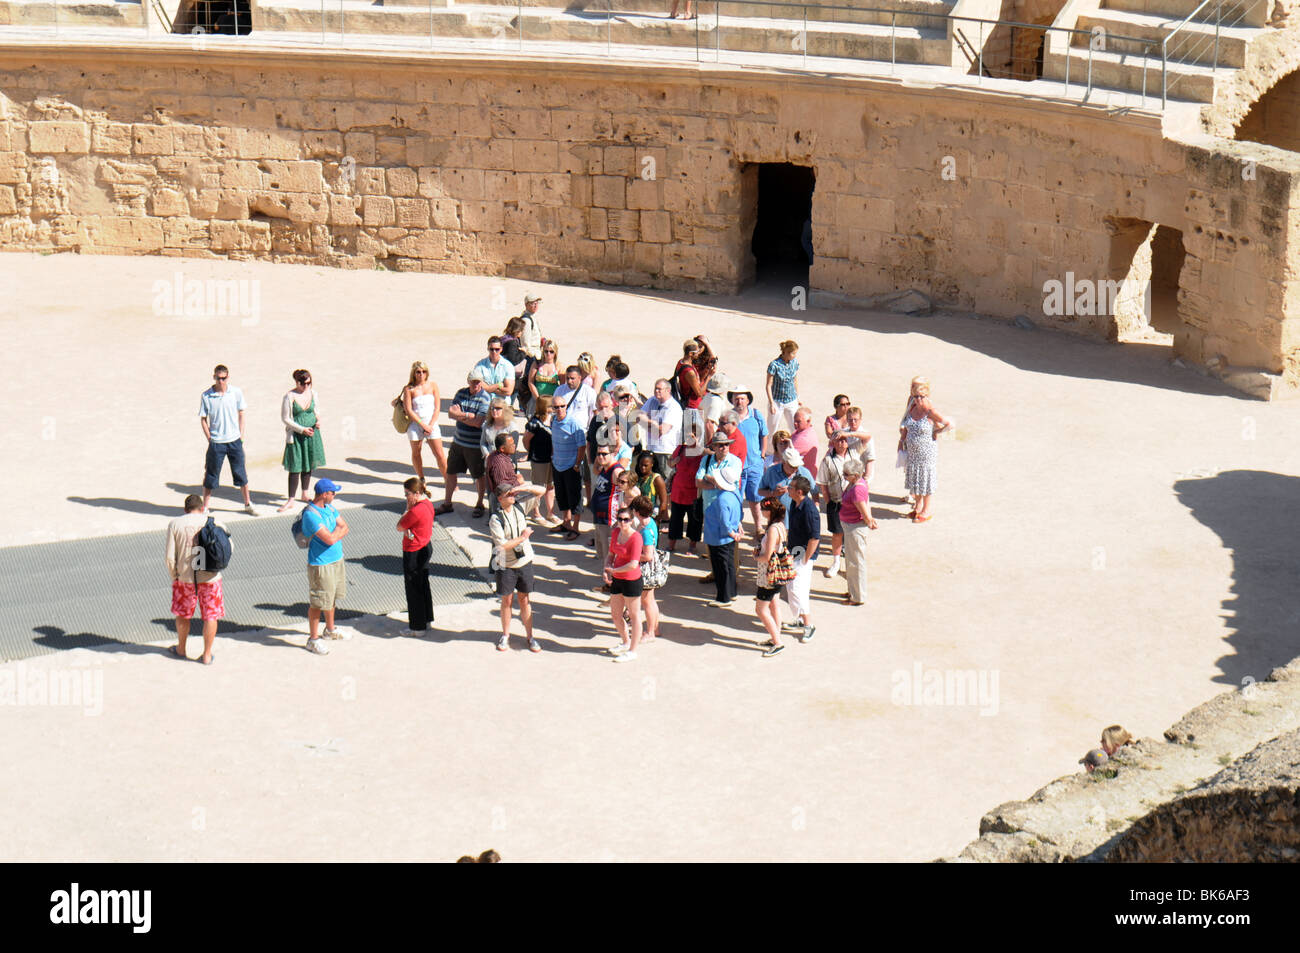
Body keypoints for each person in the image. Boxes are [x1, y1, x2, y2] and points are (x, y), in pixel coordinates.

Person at [165, 494, 225, 664]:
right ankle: (207, 654)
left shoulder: (175, 524)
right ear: (201, 508)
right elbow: (229, 547)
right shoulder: (213, 521)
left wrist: (175, 576)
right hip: (211, 576)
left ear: (185, 510)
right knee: (211, 615)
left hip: (185, 578)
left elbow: (169, 558)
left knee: (183, 615)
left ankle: (181, 649)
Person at [489, 482, 547, 653]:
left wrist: (522, 488)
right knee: (506, 600)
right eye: (508, 494)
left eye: (512, 493)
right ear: (500, 499)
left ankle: (530, 636)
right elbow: (502, 545)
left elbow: (542, 491)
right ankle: (506, 635)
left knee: (524, 599)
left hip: (524, 561)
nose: (512, 496)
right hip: (506, 564)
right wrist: (523, 538)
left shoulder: (520, 506)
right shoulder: (495, 519)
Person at [199, 364, 256, 515]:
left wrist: (241, 435)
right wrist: (209, 437)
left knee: (240, 472)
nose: (221, 381)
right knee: (211, 474)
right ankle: (205, 506)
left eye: (224, 378)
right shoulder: (206, 396)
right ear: (214, 377)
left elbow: (242, 413)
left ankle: (247, 503)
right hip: (217, 442)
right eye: (218, 378)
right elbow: (203, 419)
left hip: (234, 440)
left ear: (228, 377)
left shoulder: (236, 392)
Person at [301, 478, 350, 655]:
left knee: (332, 597)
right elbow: (329, 538)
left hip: (337, 560)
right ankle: (313, 640)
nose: (334, 495)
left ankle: (330, 629)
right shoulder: (311, 515)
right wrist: (336, 534)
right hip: (321, 565)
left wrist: (334, 534)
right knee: (318, 602)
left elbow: (345, 527)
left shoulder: (329, 508)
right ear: (324, 494)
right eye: (332, 492)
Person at [697, 432, 744, 607]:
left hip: (719, 523)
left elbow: (705, 479)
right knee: (727, 560)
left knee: (721, 561)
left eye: (726, 444)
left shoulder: (724, 499)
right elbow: (698, 481)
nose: (724, 447)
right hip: (715, 514)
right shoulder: (731, 495)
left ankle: (724, 596)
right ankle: (730, 593)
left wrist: (711, 478)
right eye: (720, 444)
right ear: (714, 447)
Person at [899, 376, 953, 523]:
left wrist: (937, 432)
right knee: (915, 478)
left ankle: (926, 510)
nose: (917, 399)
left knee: (925, 479)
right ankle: (917, 506)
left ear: (926, 395)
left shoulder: (929, 410)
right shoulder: (912, 405)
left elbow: (949, 424)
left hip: (926, 451)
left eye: (920, 396)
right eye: (915, 396)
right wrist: (902, 440)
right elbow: (905, 422)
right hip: (913, 451)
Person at [441, 368, 493, 518]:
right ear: (468, 381)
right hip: (458, 441)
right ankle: (447, 502)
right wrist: (468, 416)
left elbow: (478, 422)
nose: (475, 385)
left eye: (478, 382)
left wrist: (461, 415)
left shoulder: (485, 398)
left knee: (478, 476)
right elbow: (451, 413)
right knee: (450, 472)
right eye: (473, 382)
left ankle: (479, 503)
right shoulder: (461, 393)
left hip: (475, 444)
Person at [278, 369, 325, 513]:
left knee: (308, 464)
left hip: (311, 434)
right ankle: (291, 499)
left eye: (309, 383)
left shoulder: (313, 393)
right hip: (297, 436)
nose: (307, 387)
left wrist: (317, 420)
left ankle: (305, 493)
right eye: (304, 384)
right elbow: (286, 419)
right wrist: (301, 429)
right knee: (295, 467)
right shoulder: (289, 397)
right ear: (297, 382)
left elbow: (315, 410)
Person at [605, 504, 645, 661]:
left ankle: (633, 650)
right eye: (620, 519)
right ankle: (625, 641)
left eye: (626, 520)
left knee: (634, 616)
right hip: (618, 578)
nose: (622, 523)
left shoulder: (636, 538)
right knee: (615, 614)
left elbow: (633, 564)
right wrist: (606, 567)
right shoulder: (616, 532)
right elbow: (611, 554)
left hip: (632, 580)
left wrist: (613, 571)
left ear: (631, 520)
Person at [396, 477, 435, 634]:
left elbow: (399, 526)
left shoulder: (415, 510)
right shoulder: (428, 504)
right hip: (425, 546)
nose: (406, 497)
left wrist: (407, 508)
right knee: (423, 584)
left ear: (416, 493)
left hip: (414, 551)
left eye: (407, 494)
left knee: (413, 589)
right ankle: (426, 619)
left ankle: (417, 627)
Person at [730, 387, 769, 539]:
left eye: (742, 398)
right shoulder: (729, 416)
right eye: (736, 398)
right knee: (736, 498)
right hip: (736, 466)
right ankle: (737, 526)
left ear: (748, 400)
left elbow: (764, 435)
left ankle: (758, 527)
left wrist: (763, 455)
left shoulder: (756, 415)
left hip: (754, 464)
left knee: (755, 497)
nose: (739, 401)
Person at [783, 475, 819, 641]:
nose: (787, 489)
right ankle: (798, 619)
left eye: (790, 487)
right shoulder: (794, 502)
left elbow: (814, 538)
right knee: (791, 588)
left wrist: (805, 559)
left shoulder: (810, 510)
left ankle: (808, 624)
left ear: (799, 491)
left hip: (803, 554)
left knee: (798, 589)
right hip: (794, 551)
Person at [838, 458, 877, 606]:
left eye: (846, 474)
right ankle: (853, 591)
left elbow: (864, 508)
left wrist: (869, 521)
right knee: (851, 561)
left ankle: (858, 596)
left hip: (855, 527)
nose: (844, 475)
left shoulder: (857, 488)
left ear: (855, 475)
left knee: (856, 562)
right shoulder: (855, 484)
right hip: (850, 526)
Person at [548, 393, 586, 541]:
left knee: (575, 497)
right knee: (561, 495)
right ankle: (566, 522)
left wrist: (577, 464)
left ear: (566, 406)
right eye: (556, 407)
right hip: (557, 465)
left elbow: (581, 446)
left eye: (562, 406)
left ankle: (575, 527)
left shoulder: (574, 423)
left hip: (571, 467)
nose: (559, 409)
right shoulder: (554, 421)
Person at [403, 361, 447, 486]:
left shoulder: (433, 385)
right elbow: (409, 410)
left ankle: (448, 479)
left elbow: (437, 407)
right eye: (418, 372)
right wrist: (423, 425)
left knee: (440, 454)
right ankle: (421, 477)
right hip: (416, 424)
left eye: (423, 371)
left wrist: (431, 425)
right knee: (416, 452)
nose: (421, 374)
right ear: (414, 373)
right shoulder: (409, 389)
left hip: (431, 423)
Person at [754, 499, 788, 658]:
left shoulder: (773, 529)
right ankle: (776, 636)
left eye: (762, 508)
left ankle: (777, 642)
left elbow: (767, 556)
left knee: (760, 609)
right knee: (775, 605)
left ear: (770, 511)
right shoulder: (780, 526)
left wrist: (756, 557)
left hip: (768, 574)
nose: (761, 510)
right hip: (778, 573)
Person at [817, 430, 852, 577]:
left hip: (853, 502)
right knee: (837, 533)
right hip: (836, 502)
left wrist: (849, 433)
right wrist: (828, 501)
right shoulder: (827, 461)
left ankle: (851, 564)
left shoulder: (854, 454)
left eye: (844, 440)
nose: (842, 443)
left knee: (851, 533)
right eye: (838, 440)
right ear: (833, 443)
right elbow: (823, 484)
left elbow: (867, 437)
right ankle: (836, 562)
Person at [589, 446, 624, 582]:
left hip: (609, 519)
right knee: (603, 554)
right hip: (599, 517)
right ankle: (608, 583)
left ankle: (612, 587)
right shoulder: (604, 468)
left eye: (604, 454)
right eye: (598, 453)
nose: (600, 457)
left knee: (610, 556)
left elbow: (627, 491)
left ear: (613, 453)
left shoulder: (616, 471)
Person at [630, 496, 662, 643]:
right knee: (651, 600)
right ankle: (655, 628)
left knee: (647, 601)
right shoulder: (650, 523)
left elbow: (648, 555)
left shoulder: (645, 531)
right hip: (651, 568)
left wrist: (633, 556)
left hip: (646, 569)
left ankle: (650, 632)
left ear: (637, 512)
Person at [637, 378, 682, 480]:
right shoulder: (652, 400)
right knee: (649, 480)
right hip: (651, 449)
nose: (656, 391)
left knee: (664, 480)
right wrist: (653, 423)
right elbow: (639, 418)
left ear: (668, 390)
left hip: (665, 451)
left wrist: (647, 423)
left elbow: (662, 431)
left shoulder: (673, 407)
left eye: (659, 389)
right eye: (655, 389)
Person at [759, 447, 818, 524]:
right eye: (792, 466)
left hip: (800, 520)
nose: (795, 469)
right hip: (778, 520)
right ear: (784, 462)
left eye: (797, 466)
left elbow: (815, 491)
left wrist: (816, 506)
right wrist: (773, 493)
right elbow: (760, 491)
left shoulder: (804, 472)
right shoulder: (772, 472)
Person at [523, 394, 556, 524]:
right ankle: (535, 513)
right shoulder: (534, 423)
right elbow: (526, 440)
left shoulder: (554, 420)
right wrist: (531, 452)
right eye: (550, 405)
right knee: (537, 487)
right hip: (539, 459)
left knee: (550, 486)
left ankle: (550, 513)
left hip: (551, 458)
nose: (553, 408)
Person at [666, 441, 702, 556]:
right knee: (675, 519)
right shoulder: (680, 448)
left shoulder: (701, 451)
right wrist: (674, 461)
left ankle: (692, 546)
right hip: (678, 491)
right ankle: (671, 544)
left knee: (694, 520)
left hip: (694, 492)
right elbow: (669, 462)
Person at [765, 339, 800, 433]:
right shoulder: (774, 365)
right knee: (772, 429)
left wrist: (797, 397)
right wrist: (772, 403)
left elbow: (795, 380)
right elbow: (768, 385)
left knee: (796, 428)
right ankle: (770, 448)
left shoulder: (794, 363)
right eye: (793, 353)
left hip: (791, 399)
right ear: (786, 352)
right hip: (777, 401)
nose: (794, 356)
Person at [552, 364, 596, 429]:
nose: (569, 381)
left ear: (579, 378)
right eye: (567, 378)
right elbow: (552, 408)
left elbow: (595, 411)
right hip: (562, 428)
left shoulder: (589, 391)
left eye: (572, 378)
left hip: (580, 430)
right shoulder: (559, 390)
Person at [634, 451, 667, 522]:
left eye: (645, 465)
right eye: (641, 465)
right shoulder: (637, 477)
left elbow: (663, 502)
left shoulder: (657, 479)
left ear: (652, 464)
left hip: (650, 517)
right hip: (636, 516)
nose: (643, 468)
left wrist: (657, 520)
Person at [479, 397, 515, 463]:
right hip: (489, 462)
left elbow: (513, 448)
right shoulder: (487, 425)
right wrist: (487, 455)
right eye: (492, 408)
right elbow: (483, 443)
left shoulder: (511, 426)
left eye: (498, 408)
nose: (494, 411)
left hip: (505, 463)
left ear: (504, 410)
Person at [527, 339, 560, 408]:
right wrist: (538, 398)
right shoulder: (536, 364)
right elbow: (530, 382)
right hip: (537, 399)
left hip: (552, 401)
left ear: (555, 353)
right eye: (546, 351)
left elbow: (562, 386)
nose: (548, 354)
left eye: (551, 352)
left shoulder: (558, 366)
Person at [791, 406, 819, 474]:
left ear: (808, 421)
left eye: (798, 421)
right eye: (794, 421)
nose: (795, 423)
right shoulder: (802, 431)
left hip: (803, 477)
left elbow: (787, 454)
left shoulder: (805, 438)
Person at [518, 292, 544, 362]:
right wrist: (533, 356)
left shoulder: (532, 317)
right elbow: (525, 343)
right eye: (533, 303)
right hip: (532, 356)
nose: (536, 305)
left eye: (537, 303)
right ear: (526, 305)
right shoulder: (526, 320)